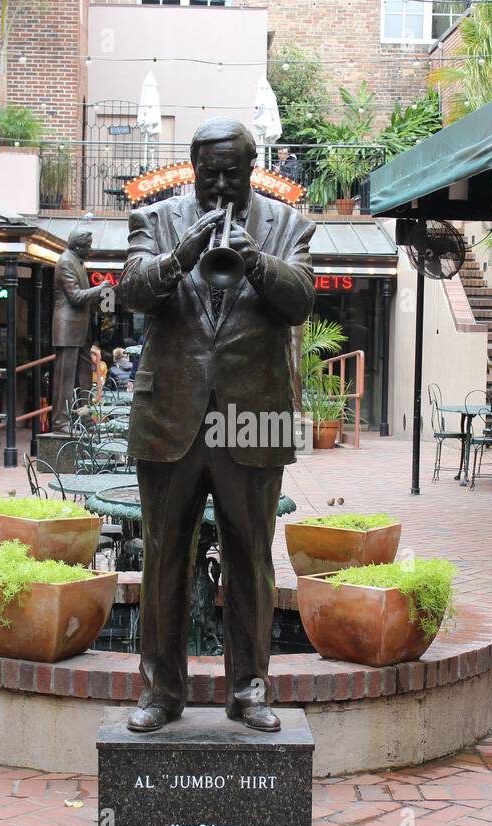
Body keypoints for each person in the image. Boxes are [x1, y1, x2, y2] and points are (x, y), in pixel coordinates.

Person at [120, 117, 315, 733]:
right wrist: (179, 257)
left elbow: (301, 298)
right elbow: (129, 291)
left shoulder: (289, 225)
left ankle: (249, 689)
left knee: (251, 557)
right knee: (163, 557)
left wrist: (257, 261)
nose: (222, 185)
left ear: (254, 167)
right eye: (210, 175)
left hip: (252, 416)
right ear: (194, 168)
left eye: (234, 174)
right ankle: (160, 692)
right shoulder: (156, 221)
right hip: (171, 416)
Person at [50, 229, 109, 432]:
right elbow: (75, 296)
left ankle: (83, 417)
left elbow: (83, 298)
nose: (90, 250)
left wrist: (99, 297)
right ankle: (60, 422)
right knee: (65, 379)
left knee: (84, 375)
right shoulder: (66, 261)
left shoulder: (79, 262)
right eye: (87, 247)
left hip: (80, 329)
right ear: (77, 246)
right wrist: (99, 288)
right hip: (67, 329)